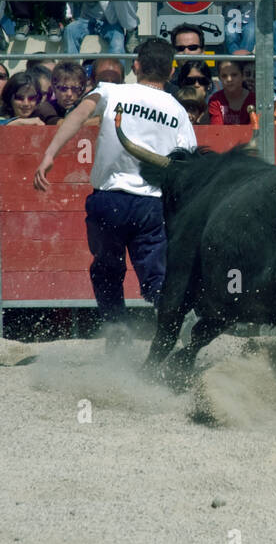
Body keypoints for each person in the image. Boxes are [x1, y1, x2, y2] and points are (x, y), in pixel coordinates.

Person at [33, 36, 197, 344]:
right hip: (152, 205)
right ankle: (175, 321)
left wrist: (50, 153)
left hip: (109, 201)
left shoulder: (112, 91)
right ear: (171, 72)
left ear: (136, 66)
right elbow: (186, 165)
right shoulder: (177, 111)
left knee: (107, 270)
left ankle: (117, 330)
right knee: (156, 278)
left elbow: (78, 115)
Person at [207, 59, 255, 125]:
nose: (229, 79)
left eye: (234, 75)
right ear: (219, 78)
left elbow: (254, 128)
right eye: (224, 76)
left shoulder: (254, 99)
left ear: (243, 76)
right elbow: (217, 129)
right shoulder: (215, 100)